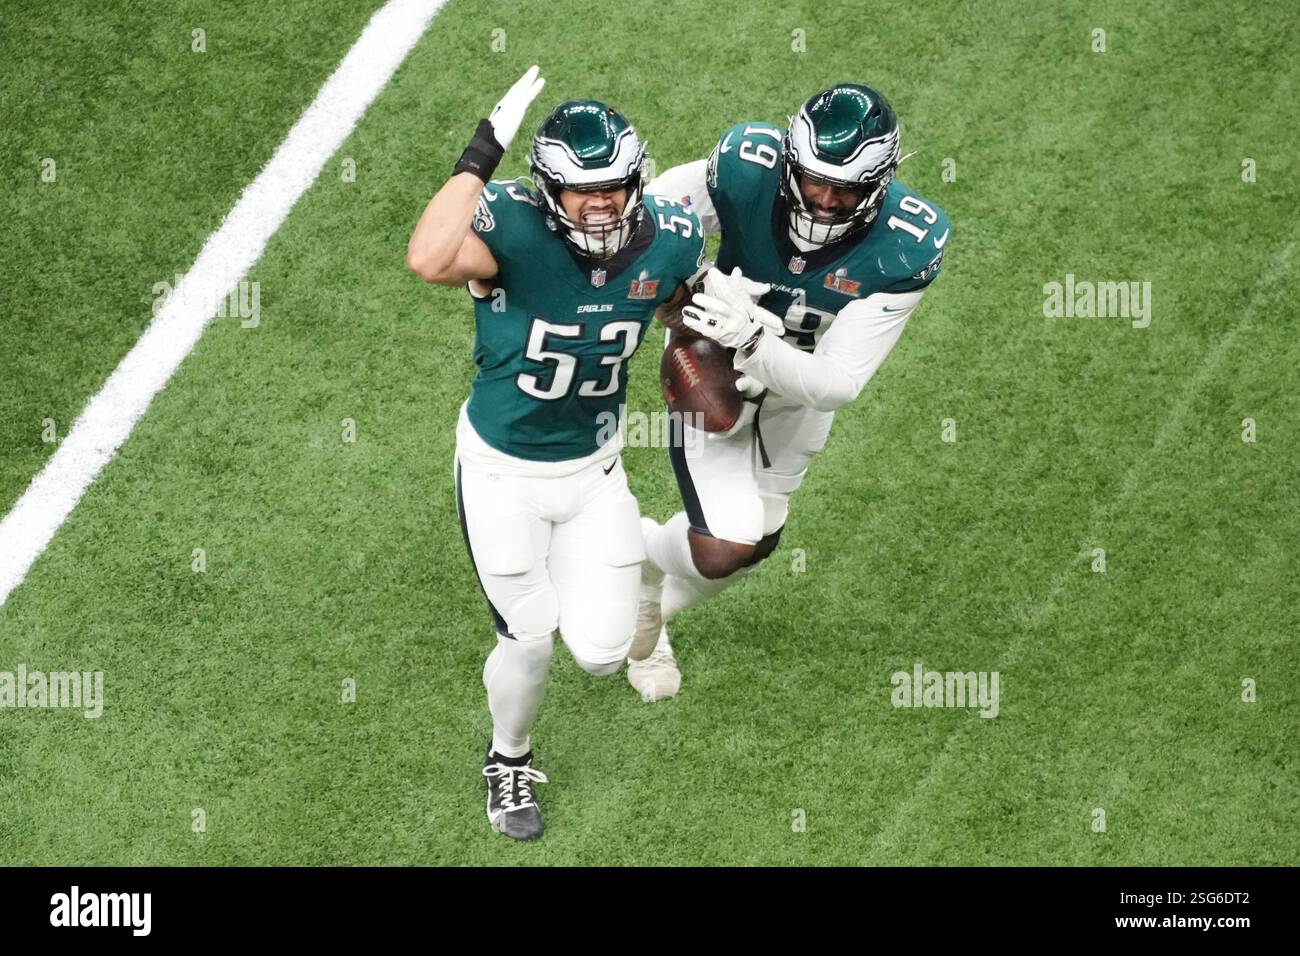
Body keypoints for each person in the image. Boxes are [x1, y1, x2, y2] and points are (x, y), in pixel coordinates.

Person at [407, 67, 705, 839]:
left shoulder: (670, 237)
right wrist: (480, 152)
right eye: (582, 188)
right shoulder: (506, 225)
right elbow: (430, 259)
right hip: (502, 469)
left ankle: (643, 572)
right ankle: (508, 759)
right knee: (530, 637)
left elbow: (674, 306)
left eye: (613, 184)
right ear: (546, 190)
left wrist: (715, 331)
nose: (601, 202)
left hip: (595, 471)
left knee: (604, 655)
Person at [627, 83, 951, 701]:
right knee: (725, 546)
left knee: (761, 539)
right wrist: (681, 288)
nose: (827, 200)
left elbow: (838, 383)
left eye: (847, 187)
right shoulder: (748, 167)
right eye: (814, 180)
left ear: (881, 181)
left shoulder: (907, 241)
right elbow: (658, 216)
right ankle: (628, 557)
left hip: (795, 384)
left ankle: (646, 590)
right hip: (711, 358)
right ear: (790, 164)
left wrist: (756, 340)